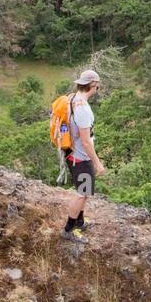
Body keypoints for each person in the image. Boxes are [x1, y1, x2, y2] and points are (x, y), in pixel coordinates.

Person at [61, 70, 105, 243]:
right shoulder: (84, 109)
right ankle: (68, 229)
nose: (97, 88)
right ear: (92, 86)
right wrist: (98, 163)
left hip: (71, 153)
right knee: (82, 193)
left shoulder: (72, 98)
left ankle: (79, 221)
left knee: (84, 192)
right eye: (97, 86)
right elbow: (86, 142)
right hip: (81, 158)